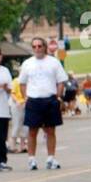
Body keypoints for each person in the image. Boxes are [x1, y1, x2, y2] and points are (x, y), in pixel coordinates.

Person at [19, 36, 66, 170]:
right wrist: (25, 98)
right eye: (34, 46)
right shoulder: (27, 63)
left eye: (40, 46)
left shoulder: (54, 62)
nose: (37, 49)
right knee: (32, 131)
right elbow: (22, 83)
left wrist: (58, 97)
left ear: (45, 47)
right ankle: (31, 159)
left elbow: (61, 81)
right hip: (34, 100)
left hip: (50, 99)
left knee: (51, 130)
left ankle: (50, 158)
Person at [8, 75, 28, 153]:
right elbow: (12, 93)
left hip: (26, 104)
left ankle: (22, 146)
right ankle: (12, 146)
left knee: (25, 126)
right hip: (17, 105)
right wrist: (17, 101)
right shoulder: (16, 81)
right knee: (16, 125)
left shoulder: (28, 81)